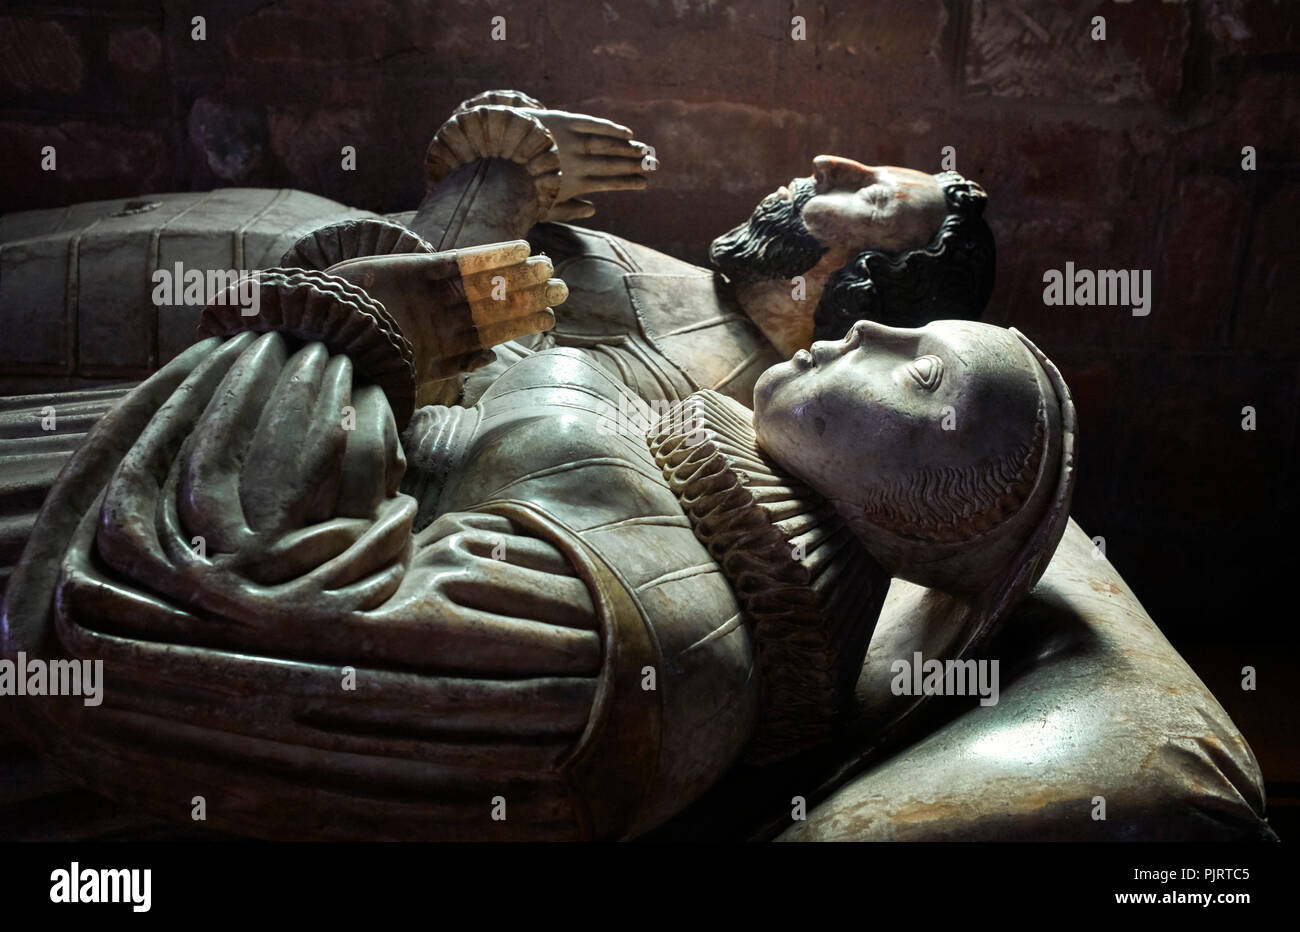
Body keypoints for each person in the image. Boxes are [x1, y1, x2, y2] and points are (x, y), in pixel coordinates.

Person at [1, 257, 1075, 841]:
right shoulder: (698, 481)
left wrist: (348, 326)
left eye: (922, 378)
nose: (869, 331)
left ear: (922, 517)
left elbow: (163, 618)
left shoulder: (660, 637)